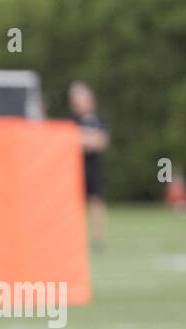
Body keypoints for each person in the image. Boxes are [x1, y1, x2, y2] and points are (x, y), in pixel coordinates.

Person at [69, 81, 109, 249]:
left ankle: (98, 239)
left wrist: (82, 139)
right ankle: (74, 238)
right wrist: (85, 139)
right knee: (73, 204)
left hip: (92, 167)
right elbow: (69, 141)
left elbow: (100, 142)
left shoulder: (98, 119)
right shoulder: (70, 120)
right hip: (72, 168)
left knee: (96, 201)